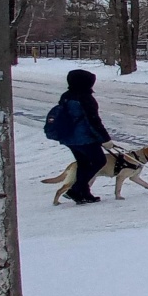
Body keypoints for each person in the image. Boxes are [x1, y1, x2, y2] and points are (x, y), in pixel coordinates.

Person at [58, 69, 115, 204]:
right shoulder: (85, 98)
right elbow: (93, 120)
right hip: (84, 138)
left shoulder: (66, 95)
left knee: (84, 164)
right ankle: (75, 190)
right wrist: (105, 139)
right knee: (99, 161)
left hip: (69, 136)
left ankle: (83, 193)